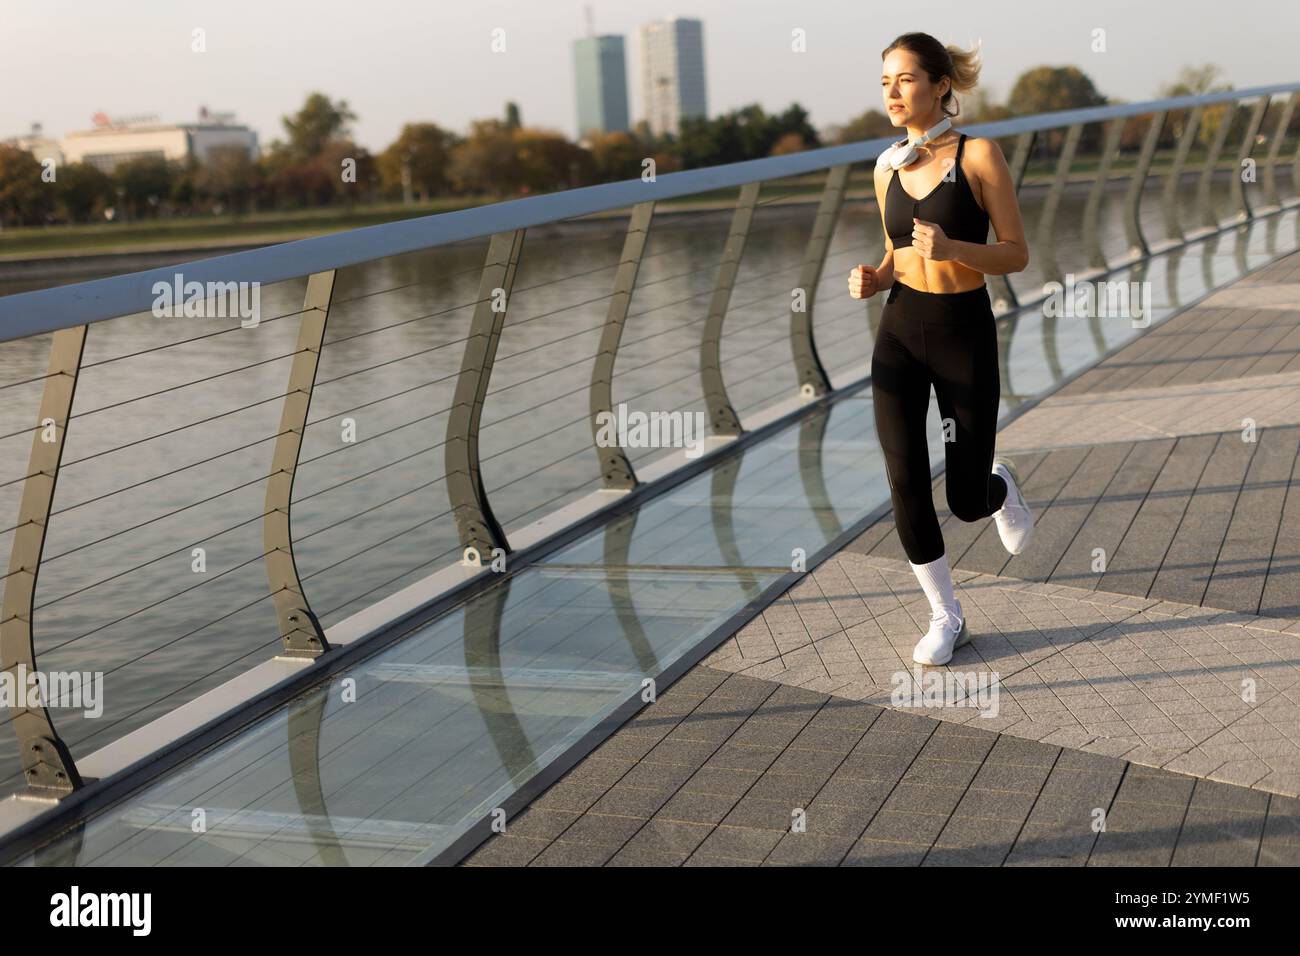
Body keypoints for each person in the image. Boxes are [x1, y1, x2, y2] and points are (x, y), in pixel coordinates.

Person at [848, 32, 1033, 667]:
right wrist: (876, 278)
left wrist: (954, 249)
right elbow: (896, 252)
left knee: (963, 499)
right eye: (885, 83)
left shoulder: (979, 155)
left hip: (962, 330)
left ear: (940, 86)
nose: (892, 93)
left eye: (904, 80)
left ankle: (999, 487)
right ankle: (945, 614)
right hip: (900, 330)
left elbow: (1016, 252)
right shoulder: (885, 166)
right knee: (903, 478)